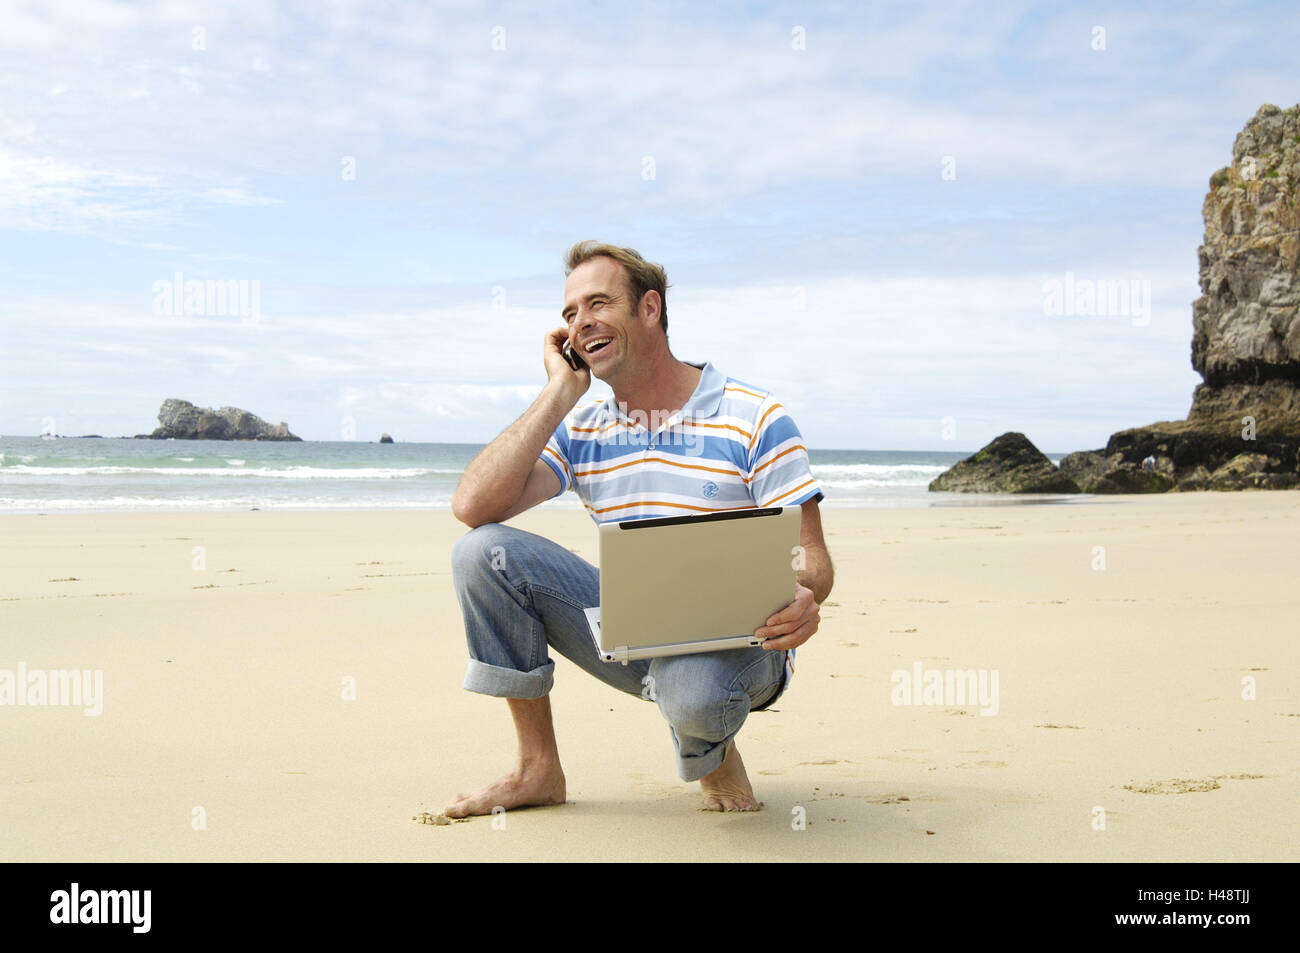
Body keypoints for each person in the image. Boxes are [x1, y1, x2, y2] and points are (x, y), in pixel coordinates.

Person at [445, 241, 834, 814]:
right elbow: (474, 506)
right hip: (635, 631)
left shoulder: (753, 415)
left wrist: (806, 596)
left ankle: (713, 758)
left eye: (598, 304)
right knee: (483, 552)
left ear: (649, 308)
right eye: (570, 314)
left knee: (693, 691)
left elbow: (813, 559)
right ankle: (538, 771)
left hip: (745, 643)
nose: (580, 325)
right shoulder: (584, 427)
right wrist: (558, 393)